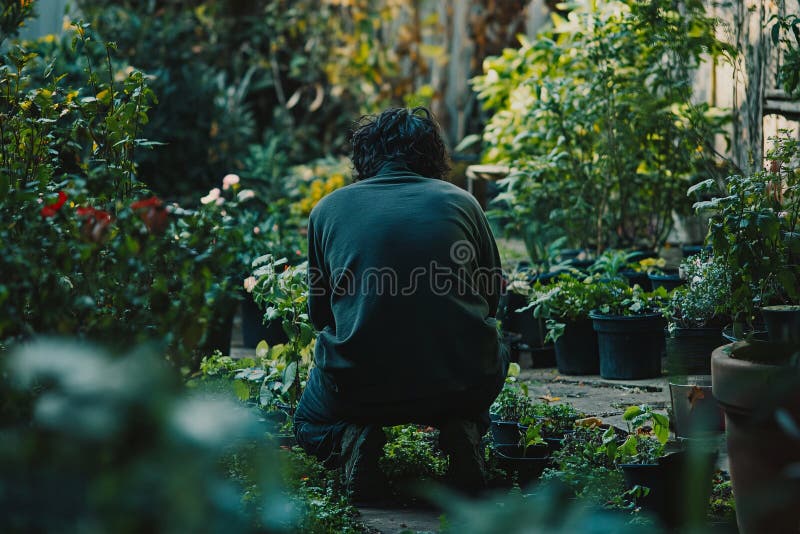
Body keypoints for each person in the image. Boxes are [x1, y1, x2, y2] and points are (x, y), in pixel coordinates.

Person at [293, 107, 508, 501]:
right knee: (494, 346)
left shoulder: (328, 210)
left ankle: (352, 438)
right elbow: (491, 299)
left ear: (363, 157)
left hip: (360, 385)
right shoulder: (463, 204)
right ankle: (465, 428)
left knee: (308, 423)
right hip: (460, 379)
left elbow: (320, 315)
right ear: (431, 154)